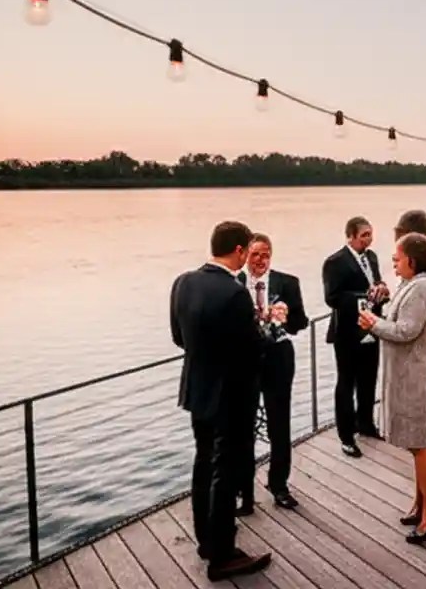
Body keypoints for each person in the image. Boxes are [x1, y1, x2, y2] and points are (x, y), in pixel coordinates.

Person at [169, 221, 272, 581]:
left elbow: (178, 337)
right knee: (226, 471)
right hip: (231, 396)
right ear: (240, 251)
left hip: (198, 390)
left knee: (203, 463)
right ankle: (224, 554)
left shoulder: (183, 282)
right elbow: (252, 349)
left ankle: (206, 539)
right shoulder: (234, 293)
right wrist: (268, 328)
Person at [358, 233, 426, 545]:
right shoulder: (414, 285)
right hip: (413, 378)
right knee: (417, 447)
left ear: (412, 259)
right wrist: (379, 317)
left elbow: (406, 331)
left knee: (424, 445)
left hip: (419, 382)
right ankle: (421, 503)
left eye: (397, 258)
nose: (394, 264)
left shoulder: (422, 288)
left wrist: (374, 324)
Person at [236, 233, 308, 512]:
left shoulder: (287, 282)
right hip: (247, 361)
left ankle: (279, 486)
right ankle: (244, 493)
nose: (260, 260)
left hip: (279, 357)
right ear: (245, 256)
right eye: (255, 254)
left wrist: (287, 317)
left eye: (266, 254)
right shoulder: (234, 284)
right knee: (244, 428)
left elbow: (301, 322)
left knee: (280, 424)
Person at [322, 217, 390, 458]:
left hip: (372, 327)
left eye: (370, 234)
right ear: (350, 235)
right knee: (346, 382)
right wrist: (363, 296)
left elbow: (376, 281)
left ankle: (366, 423)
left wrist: (381, 288)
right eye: (364, 235)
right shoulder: (335, 262)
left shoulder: (371, 257)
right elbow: (332, 297)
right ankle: (346, 435)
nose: (369, 239)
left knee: (369, 377)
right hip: (347, 331)